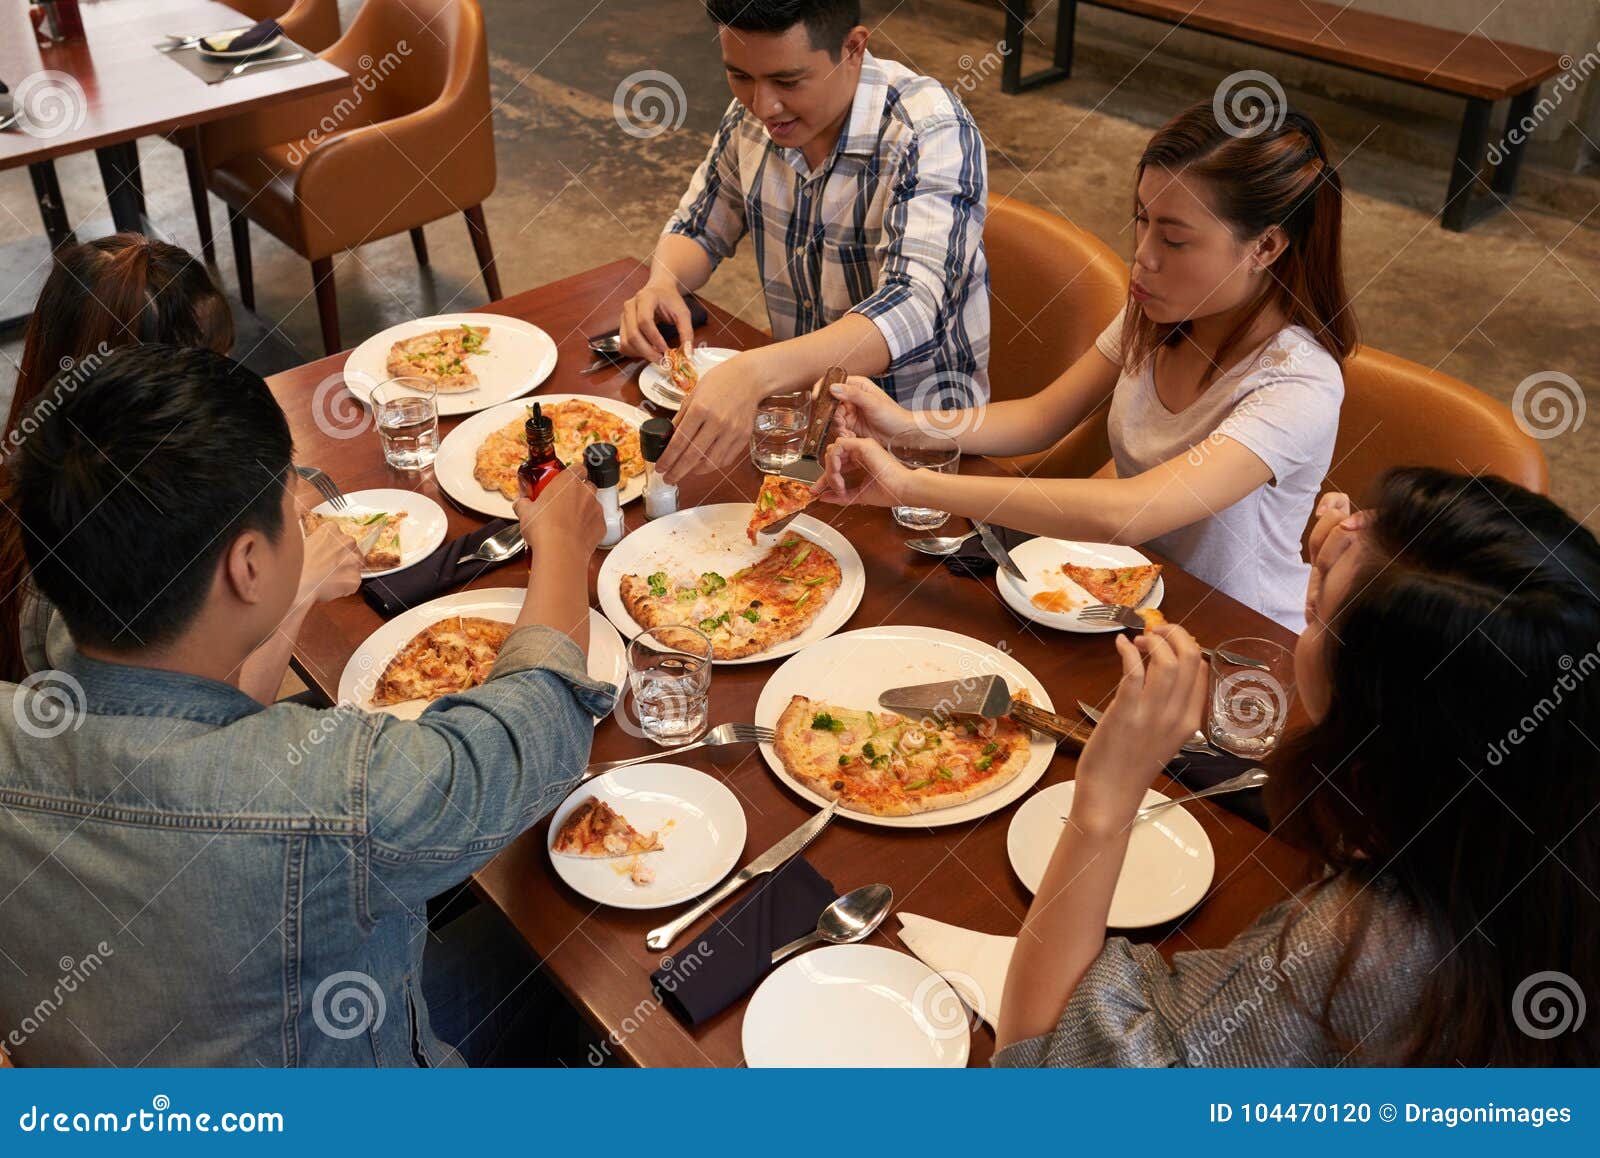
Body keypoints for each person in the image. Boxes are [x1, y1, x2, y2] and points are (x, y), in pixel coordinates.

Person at [0, 345, 613, 1065]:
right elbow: (528, 737)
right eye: (291, 500)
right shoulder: (329, 792)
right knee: (577, 968)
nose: (306, 509)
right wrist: (562, 546)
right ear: (249, 565)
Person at [995, 467, 1600, 1066]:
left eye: (1317, 617)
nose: (1309, 593)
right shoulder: (1526, 797)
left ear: (1378, 726)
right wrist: (1371, 551)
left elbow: (1044, 1082)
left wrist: (1107, 795)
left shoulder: (1351, 950)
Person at [815, 103, 1355, 632]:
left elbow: (1131, 511)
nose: (1143, 256)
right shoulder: (1161, 313)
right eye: (1141, 220)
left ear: (1265, 246)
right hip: (1125, 598)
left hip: (1231, 634)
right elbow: (1042, 417)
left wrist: (912, 485)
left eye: (1174, 238)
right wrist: (906, 424)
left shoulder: (1297, 384)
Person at [621, 0, 990, 483]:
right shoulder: (750, 117)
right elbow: (698, 226)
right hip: (798, 432)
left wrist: (756, 374)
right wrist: (662, 283)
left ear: (853, 48)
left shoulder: (930, 131)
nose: (763, 105)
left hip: (919, 452)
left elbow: (914, 306)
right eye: (740, 76)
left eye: (788, 82)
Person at [0, 234, 361, 697]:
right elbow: (207, 734)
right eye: (209, 367)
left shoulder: (76, 457)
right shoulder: (87, 550)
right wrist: (299, 592)